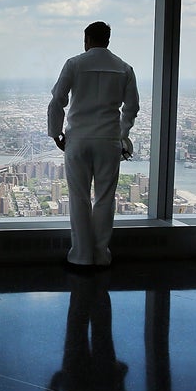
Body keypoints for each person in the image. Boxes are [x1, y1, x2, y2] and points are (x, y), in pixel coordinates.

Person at [47, 21, 140, 267]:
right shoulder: (124, 68)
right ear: (108, 40)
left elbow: (57, 100)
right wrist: (121, 134)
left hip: (78, 139)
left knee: (79, 197)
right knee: (105, 198)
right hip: (108, 140)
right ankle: (100, 254)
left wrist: (56, 133)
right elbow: (132, 107)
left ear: (86, 40)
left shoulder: (74, 64)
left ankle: (81, 255)